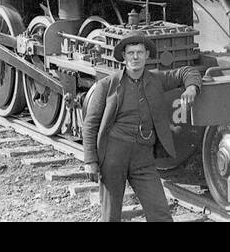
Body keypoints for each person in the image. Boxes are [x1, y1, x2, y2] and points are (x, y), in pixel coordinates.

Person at [82, 33, 202, 222]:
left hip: (143, 157)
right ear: (124, 56)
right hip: (113, 155)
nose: (135, 57)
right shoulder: (107, 85)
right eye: (131, 53)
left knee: (160, 213)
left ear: (147, 55)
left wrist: (191, 88)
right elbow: (90, 124)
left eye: (139, 52)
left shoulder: (156, 80)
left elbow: (188, 72)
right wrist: (90, 160)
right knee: (110, 216)